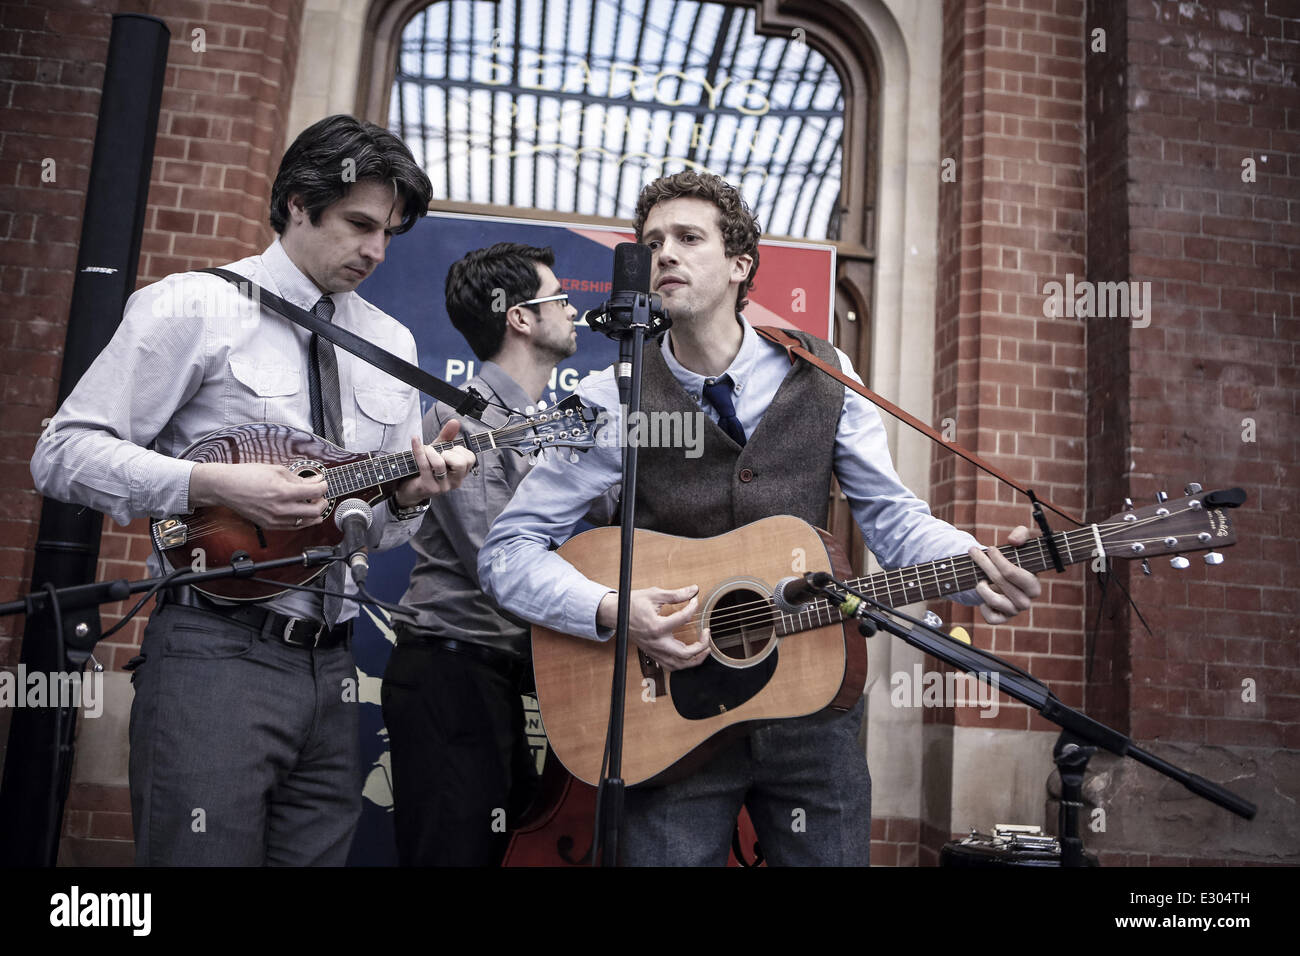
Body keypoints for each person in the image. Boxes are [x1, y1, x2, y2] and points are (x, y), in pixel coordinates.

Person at [478, 170, 1042, 866]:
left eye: (688, 238)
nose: (664, 255)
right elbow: (508, 551)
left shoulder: (826, 374)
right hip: (668, 720)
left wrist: (972, 567)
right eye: (651, 241)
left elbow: (894, 521)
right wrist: (613, 607)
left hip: (812, 707)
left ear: (741, 264)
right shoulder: (613, 398)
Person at [30, 114, 476, 866]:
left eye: (389, 233)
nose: (374, 250)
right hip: (213, 654)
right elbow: (61, 454)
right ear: (298, 203)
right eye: (358, 224)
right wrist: (207, 481)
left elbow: (379, 532)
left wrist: (409, 497)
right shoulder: (191, 305)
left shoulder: (392, 345)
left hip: (334, 663)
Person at [382, 242, 578, 866]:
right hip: (450, 677)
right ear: (520, 317)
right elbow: (500, 561)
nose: (574, 311)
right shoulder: (460, 424)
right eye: (560, 299)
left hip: (497, 680)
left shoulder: (541, 426)